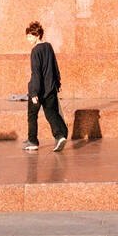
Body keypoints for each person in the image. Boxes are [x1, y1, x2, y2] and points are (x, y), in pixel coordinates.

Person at [23, 21, 68, 153]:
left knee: (32, 115)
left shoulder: (35, 51)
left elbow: (36, 73)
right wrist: (57, 84)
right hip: (50, 87)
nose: (28, 39)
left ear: (37, 35)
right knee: (51, 113)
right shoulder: (48, 47)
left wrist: (34, 93)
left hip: (38, 89)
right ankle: (59, 136)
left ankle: (33, 141)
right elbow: (55, 66)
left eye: (30, 36)